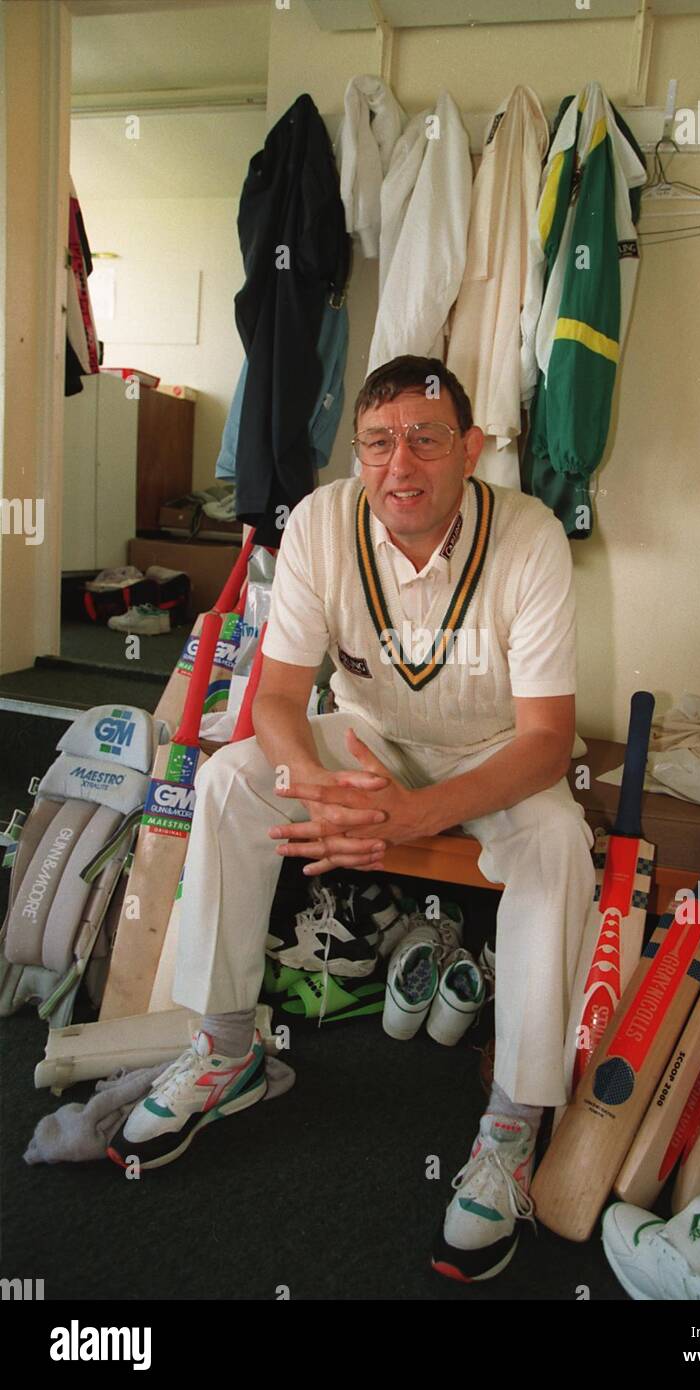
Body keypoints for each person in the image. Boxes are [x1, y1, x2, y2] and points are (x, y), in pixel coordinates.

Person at [110, 355, 595, 1283]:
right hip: (367, 739)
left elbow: (546, 739)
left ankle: (511, 1125)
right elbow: (279, 700)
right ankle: (225, 1050)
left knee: (559, 843)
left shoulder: (530, 536)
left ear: (472, 449)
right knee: (231, 783)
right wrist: (312, 779)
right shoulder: (323, 522)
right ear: (358, 452)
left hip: (490, 755)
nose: (400, 465)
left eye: (426, 438)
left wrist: (414, 819)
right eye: (378, 442)